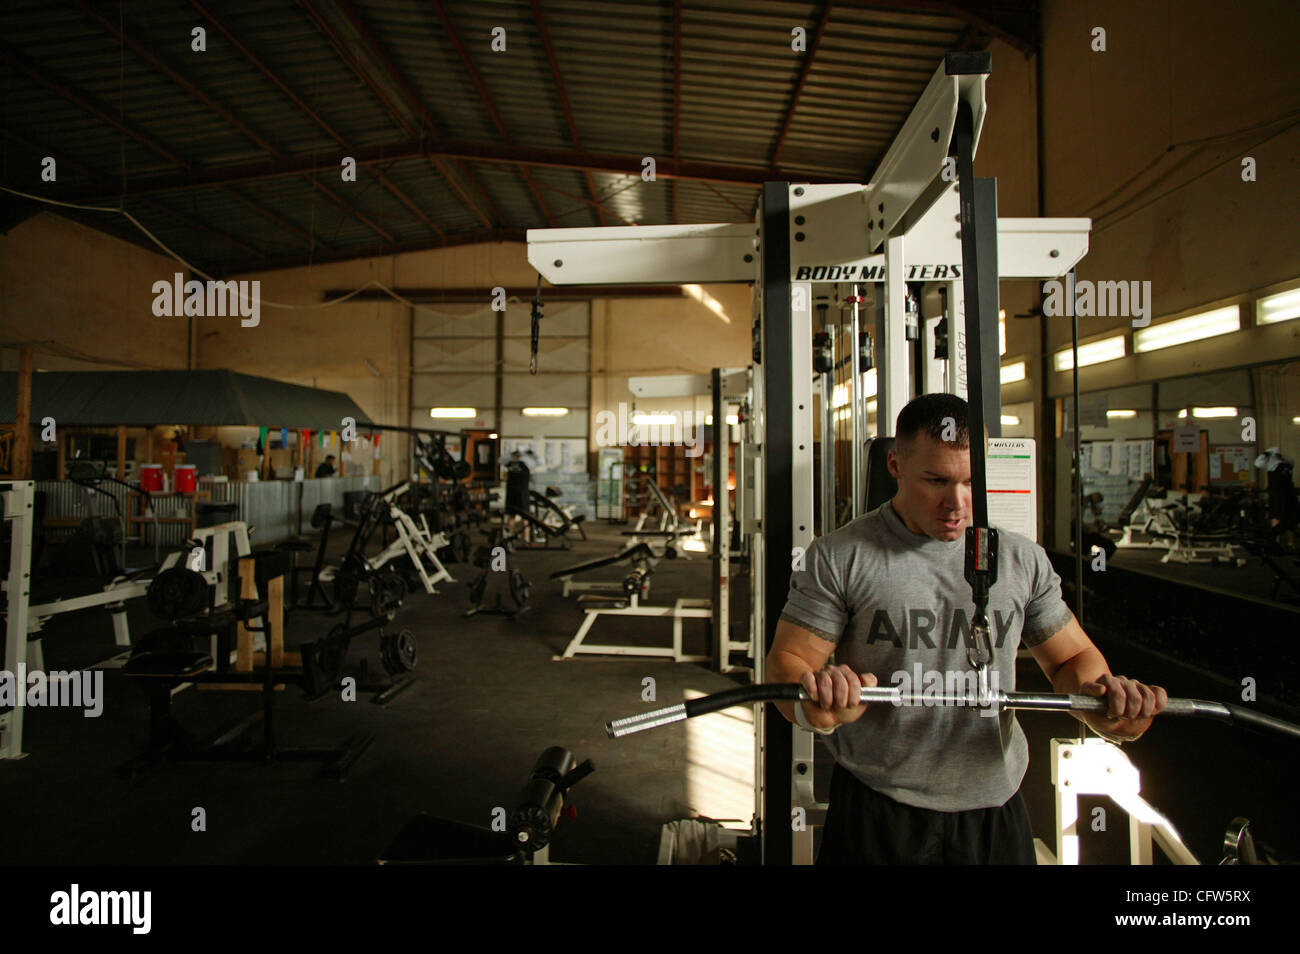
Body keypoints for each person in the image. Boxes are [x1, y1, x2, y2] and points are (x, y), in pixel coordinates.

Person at [768, 393, 1167, 865]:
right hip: (880, 807)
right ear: (895, 465)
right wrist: (820, 706)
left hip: (994, 808)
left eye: (970, 482)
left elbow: (1070, 660)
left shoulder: (1021, 560)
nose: (956, 503)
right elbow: (786, 666)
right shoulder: (842, 556)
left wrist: (1103, 708)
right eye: (935, 480)